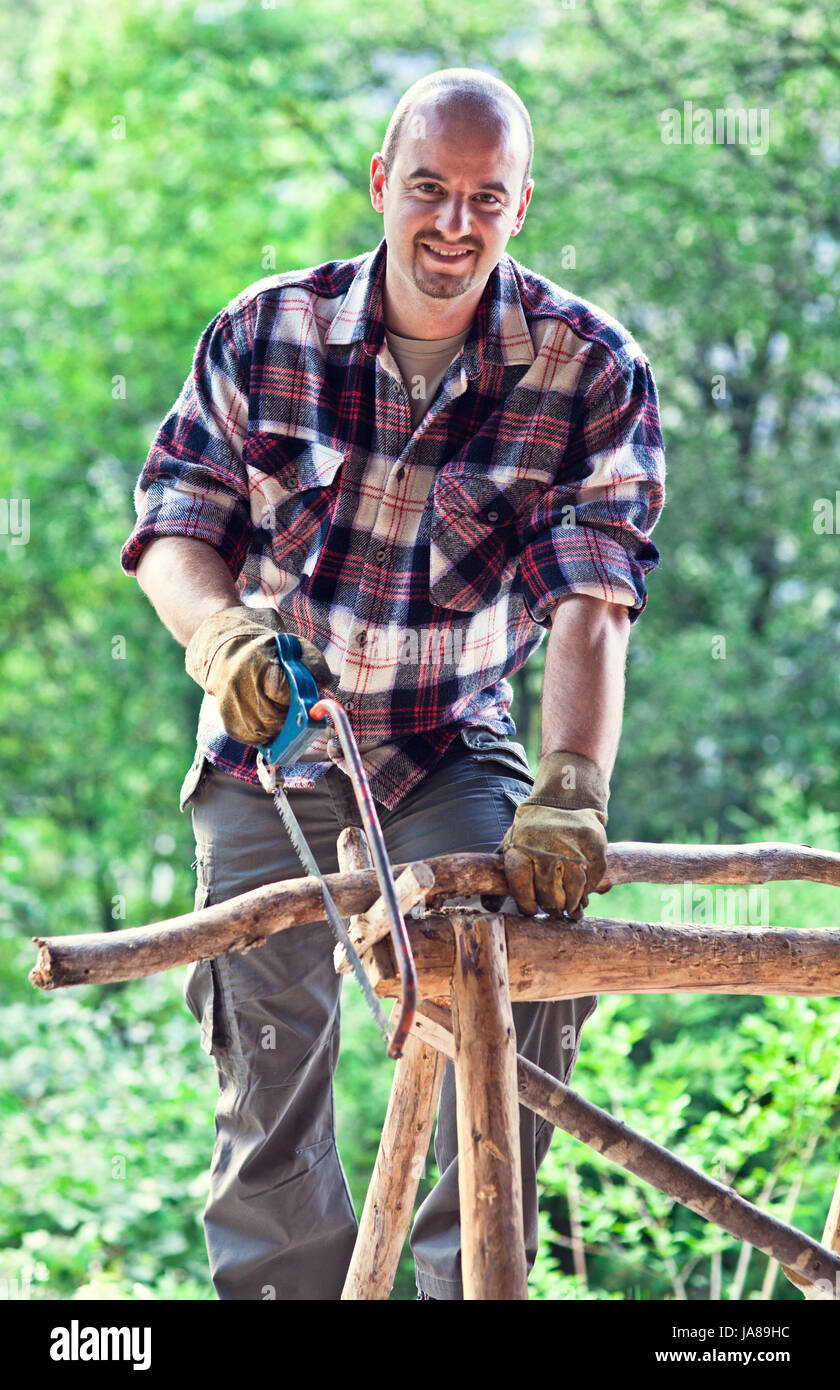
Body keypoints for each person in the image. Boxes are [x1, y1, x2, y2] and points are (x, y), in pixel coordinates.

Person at [120, 66, 666, 1301]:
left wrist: (577, 781)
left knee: (521, 987)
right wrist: (220, 641)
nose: (453, 225)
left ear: (523, 204)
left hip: (449, 742)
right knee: (270, 1096)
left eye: (486, 197)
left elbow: (593, 595)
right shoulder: (267, 333)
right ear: (382, 184)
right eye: (428, 189)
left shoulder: (590, 371)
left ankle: (459, 1290)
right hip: (272, 749)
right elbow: (172, 524)